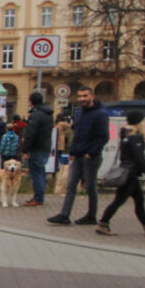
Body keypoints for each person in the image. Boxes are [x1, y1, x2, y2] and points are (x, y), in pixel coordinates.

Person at [96, 110, 145, 236]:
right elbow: (140, 159)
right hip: (130, 174)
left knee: (139, 200)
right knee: (119, 201)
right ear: (139, 122)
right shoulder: (134, 138)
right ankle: (103, 223)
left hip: (129, 173)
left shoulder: (126, 135)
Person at [48, 86, 109, 226]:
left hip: (91, 156)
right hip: (77, 155)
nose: (82, 99)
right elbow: (77, 134)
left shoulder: (100, 114)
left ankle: (91, 215)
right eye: (80, 96)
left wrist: (91, 152)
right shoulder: (78, 112)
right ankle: (64, 215)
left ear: (92, 96)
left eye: (85, 96)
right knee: (70, 185)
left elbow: (103, 137)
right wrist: (72, 152)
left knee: (90, 186)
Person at [19, 91, 53, 207]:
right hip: (45, 146)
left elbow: (31, 134)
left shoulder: (36, 115)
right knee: (41, 172)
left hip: (36, 148)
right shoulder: (48, 114)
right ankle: (38, 196)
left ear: (31, 102)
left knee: (36, 174)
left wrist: (25, 149)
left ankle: (38, 198)